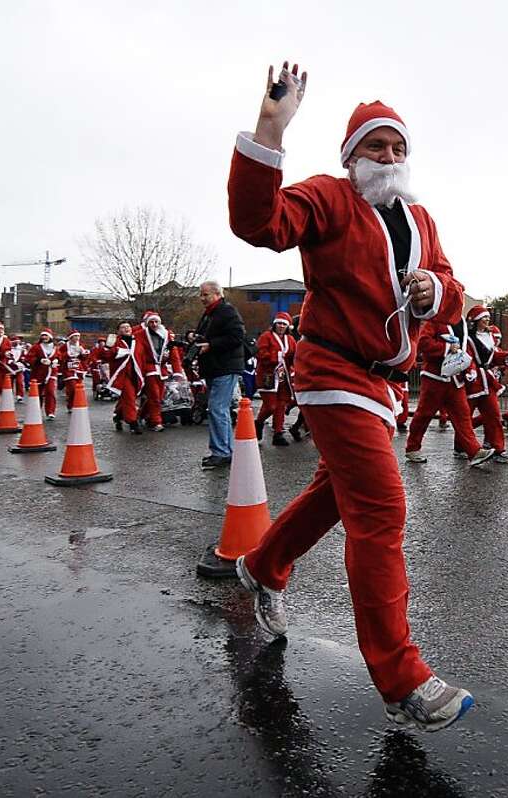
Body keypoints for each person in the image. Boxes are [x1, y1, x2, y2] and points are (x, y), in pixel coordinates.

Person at [227, 63, 474, 731]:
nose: (388, 158)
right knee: (383, 505)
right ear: (350, 155)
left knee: (337, 494)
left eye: (397, 147)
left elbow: (453, 288)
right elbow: (261, 223)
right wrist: (269, 132)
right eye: (375, 146)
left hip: (385, 384)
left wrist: (434, 292)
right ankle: (400, 677)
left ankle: (263, 566)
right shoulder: (331, 198)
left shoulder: (420, 217)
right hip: (334, 373)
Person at [404, 319, 496, 465]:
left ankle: (474, 451)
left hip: (456, 379)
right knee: (424, 414)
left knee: (463, 416)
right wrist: (446, 347)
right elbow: (422, 343)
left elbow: (465, 350)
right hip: (434, 378)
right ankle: (412, 448)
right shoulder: (434, 321)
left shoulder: (463, 323)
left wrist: (470, 368)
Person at [192, 281, 246, 469]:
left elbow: (237, 336)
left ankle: (222, 452)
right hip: (215, 367)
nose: (201, 298)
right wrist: (194, 336)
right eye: (201, 294)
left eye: (205, 294)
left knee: (217, 408)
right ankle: (223, 450)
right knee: (217, 408)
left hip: (225, 367)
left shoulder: (226, 312)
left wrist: (211, 345)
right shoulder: (211, 314)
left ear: (217, 294)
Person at [462, 305, 508, 458]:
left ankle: (498, 448)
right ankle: (460, 446)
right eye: (484, 317)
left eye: (487, 318)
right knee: (465, 417)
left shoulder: (489, 337)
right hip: (473, 382)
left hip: (487, 381)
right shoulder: (469, 339)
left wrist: (506, 357)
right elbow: (467, 356)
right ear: (476, 320)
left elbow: (492, 358)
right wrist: (470, 370)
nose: (487, 320)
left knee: (494, 415)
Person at [254, 312, 297, 446]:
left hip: (283, 376)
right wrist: (276, 356)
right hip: (268, 375)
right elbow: (261, 353)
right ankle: (259, 422)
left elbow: (294, 356)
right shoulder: (266, 337)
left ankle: (278, 433)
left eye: (284, 324)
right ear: (274, 324)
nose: (281, 326)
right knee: (271, 405)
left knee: (281, 404)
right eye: (279, 323)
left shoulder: (290, 340)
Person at [133, 311, 178, 431]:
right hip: (149, 369)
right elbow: (138, 353)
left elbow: (173, 353)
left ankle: (140, 416)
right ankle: (156, 421)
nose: (153, 324)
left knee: (159, 396)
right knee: (154, 396)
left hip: (162, 370)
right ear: (147, 323)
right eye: (151, 322)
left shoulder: (165, 334)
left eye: (156, 321)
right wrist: (139, 370)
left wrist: (177, 370)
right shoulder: (140, 334)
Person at [103, 321, 143, 434]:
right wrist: (111, 348)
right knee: (129, 397)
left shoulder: (138, 341)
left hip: (136, 373)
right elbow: (106, 355)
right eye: (123, 327)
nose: (126, 328)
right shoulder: (116, 341)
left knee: (128, 398)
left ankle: (118, 414)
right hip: (122, 374)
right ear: (118, 331)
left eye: (128, 326)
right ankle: (133, 423)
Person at [55, 331, 93, 411]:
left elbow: (84, 358)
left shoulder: (80, 346)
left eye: (78, 336)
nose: (77, 338)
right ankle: (70, 405)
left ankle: (76, 404)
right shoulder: (65, 346)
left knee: (78, 388)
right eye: (75, 336)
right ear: (70, 338)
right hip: (68, 369)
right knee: (72, 388)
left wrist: (84, 354)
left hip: (78, 369)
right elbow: (59, 356)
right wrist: (68, 354)